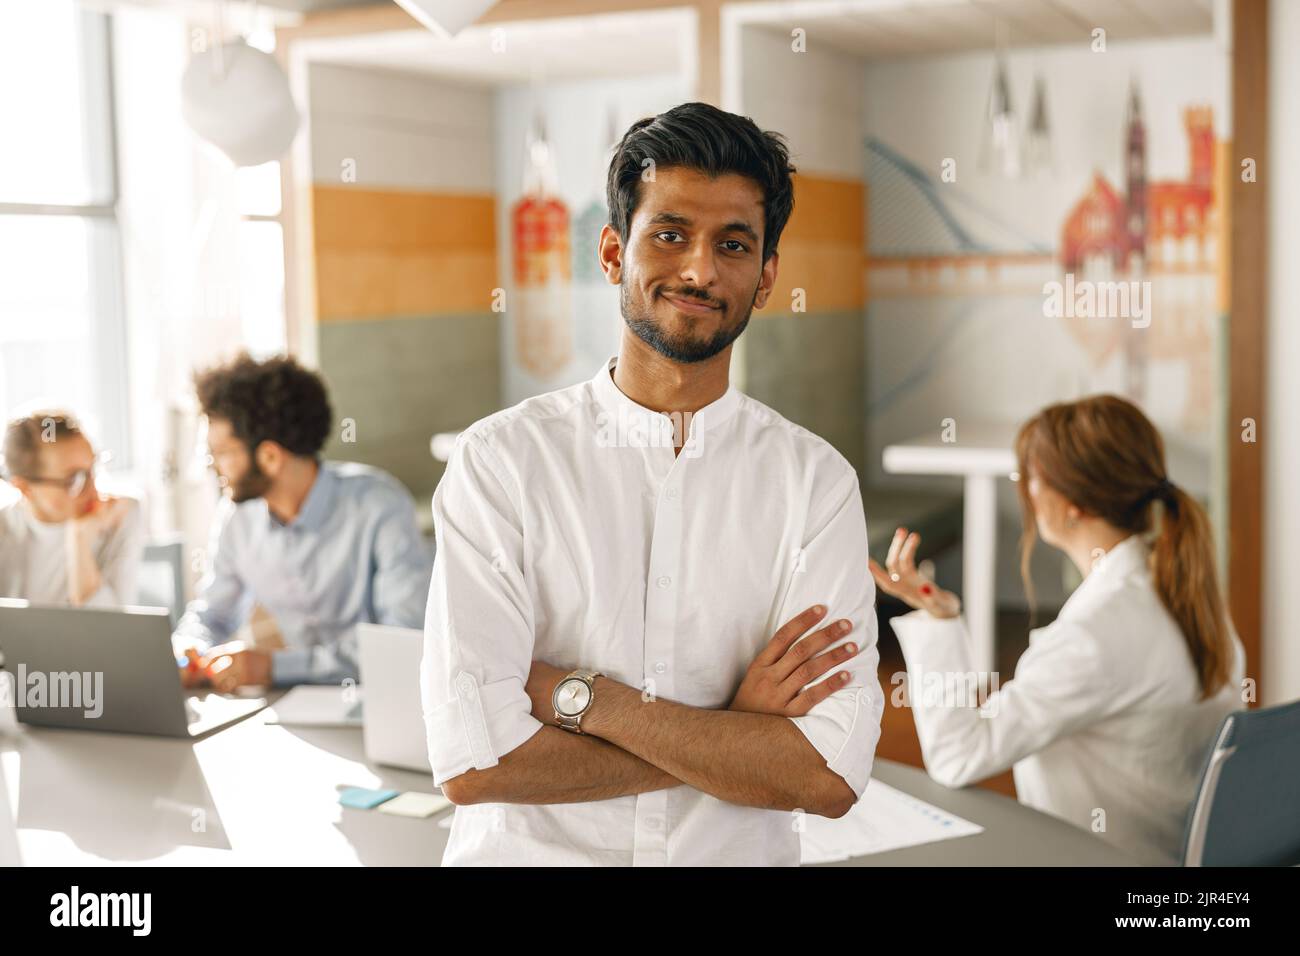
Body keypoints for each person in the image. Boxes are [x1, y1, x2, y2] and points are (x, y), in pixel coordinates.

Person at [422, 102, 884, 866]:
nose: (700, 269)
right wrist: (734, 732)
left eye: (733, 244)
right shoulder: (499, 464)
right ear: (612, 252)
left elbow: (829, 773)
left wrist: (583, 698)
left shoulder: (815, 484)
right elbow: (476, 764)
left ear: (767, 277)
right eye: (670, 234)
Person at [871, 394, 1245, 866]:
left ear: (1074, 505)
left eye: (1031, 477)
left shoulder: (1095, 634)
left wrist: (941, 621)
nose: (1023, 489)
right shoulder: (1187, 594)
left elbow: (957, 756)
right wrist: (941, 613)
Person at [172, 353, 433, 691]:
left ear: (269, 457)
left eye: (221, 453)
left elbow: (403, 643)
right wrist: (186, 651)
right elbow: (212, 616)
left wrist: (275, 667)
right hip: (297, 705)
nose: (212, 466)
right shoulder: (236, 518)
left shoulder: (379, 506)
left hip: (385, 703)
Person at [0, 411, 143, 607]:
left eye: (93, 468)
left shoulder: (120, 514)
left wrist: (79, 541)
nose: (93, 490)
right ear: (24, 488)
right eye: (73, 480)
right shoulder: (4, 528)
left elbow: (113, 628)